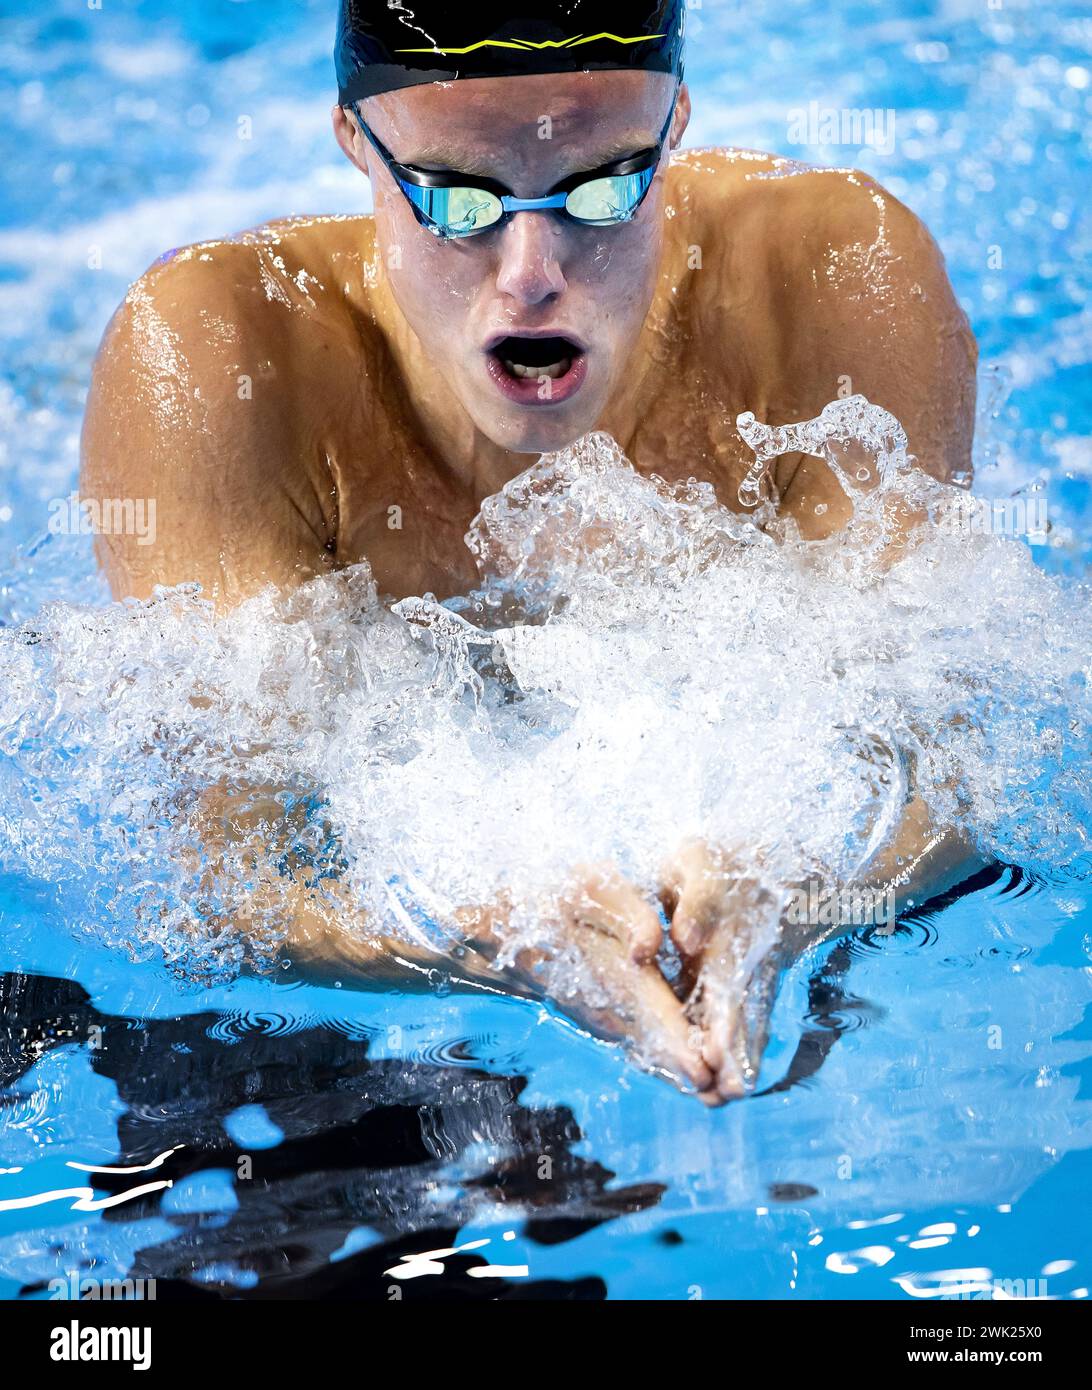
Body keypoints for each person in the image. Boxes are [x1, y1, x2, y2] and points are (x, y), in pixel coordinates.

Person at [80, 1, 982, 1101]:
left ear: (677, 126)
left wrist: (803, 888)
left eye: (606, 190)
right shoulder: (223, 357)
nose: (532, 273)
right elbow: (215, 877)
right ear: (355, 144)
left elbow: (963, 757)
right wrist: (472, 941)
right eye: (458, 202)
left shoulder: (833, 280)